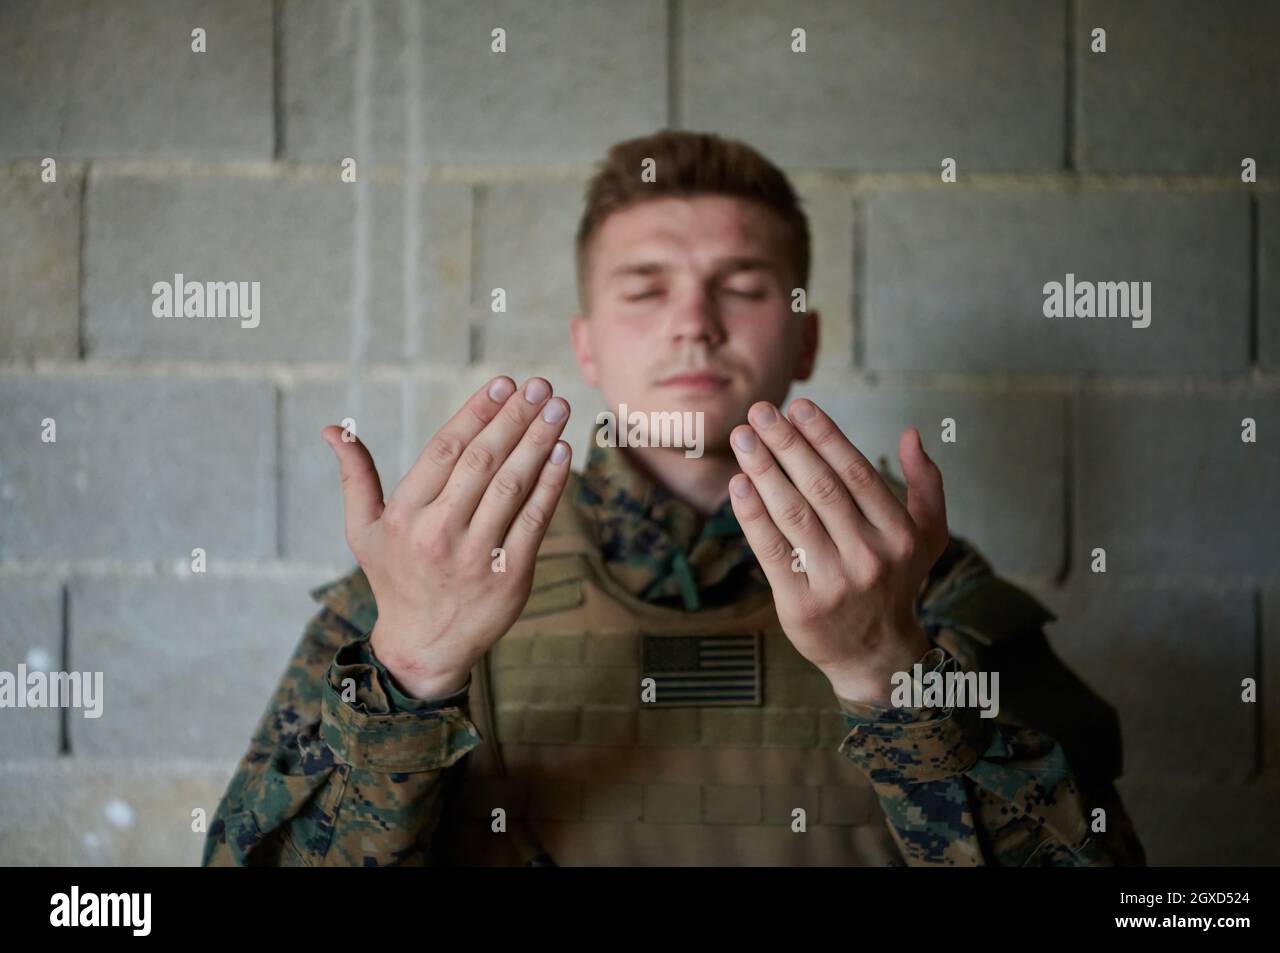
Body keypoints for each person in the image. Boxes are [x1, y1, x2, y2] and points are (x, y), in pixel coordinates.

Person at [203, 130, 1145, 866]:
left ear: (805, 339)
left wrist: (893, 677)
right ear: (587, 345)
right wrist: (409, 670)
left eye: (741, 287)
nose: (694, 324)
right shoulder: (424, 580)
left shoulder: (919, 583)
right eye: (645, 291)